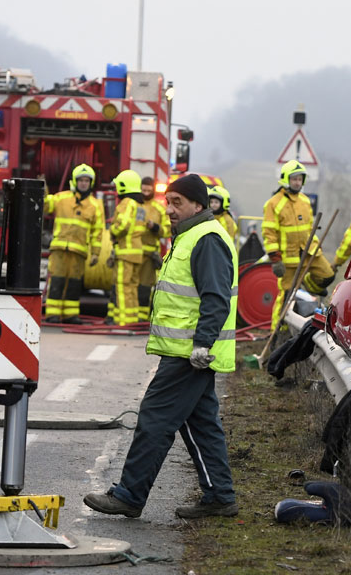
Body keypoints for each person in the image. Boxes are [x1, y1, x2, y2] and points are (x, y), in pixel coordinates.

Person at [84, 173, 240, 519]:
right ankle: (219, 496)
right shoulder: (189, 236)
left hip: (190, 354)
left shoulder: (207, 239)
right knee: (200, 424)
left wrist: (202, 344)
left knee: (154, 419)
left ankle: (129, 494)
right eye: (167, 201)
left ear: (198, 204)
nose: (168, 209)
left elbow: (215, 298)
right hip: (184, 351)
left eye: (177, 202)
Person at [262, 160, 333, 327]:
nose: (297, 182)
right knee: (286, 295)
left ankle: (306, 283)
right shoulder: (273, 204)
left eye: (300, 179)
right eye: (294, 179)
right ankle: (278, 330)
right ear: (285, 179)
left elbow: (309, 228)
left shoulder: (305, 201)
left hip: (309, 252)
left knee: (327, 276)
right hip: (288, 260)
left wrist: (317, 245)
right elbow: (269, 233)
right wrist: (275, 258)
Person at [43, 164, 103, 324]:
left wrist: (96, 253)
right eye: (81, 180)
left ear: (91, 183)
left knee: (74, 284)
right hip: (59, 248)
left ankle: (70, 315)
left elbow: (98, 232)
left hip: (79, 251)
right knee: (57, 280)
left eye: (86, 180)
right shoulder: (61, 198)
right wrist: (43, 190)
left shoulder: (96, 205)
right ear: (75, 181)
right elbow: (45, 206)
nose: (84, 183)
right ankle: (52, 314)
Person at [106, 170, 146, 325]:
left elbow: (122, 224)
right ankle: (132, 319)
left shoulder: (127, 203)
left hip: (125, 253)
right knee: (132, 287)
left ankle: (123, 321)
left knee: (122, 287)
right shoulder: (140, 206)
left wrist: (112, 231)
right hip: (136, 253)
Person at [137, 176, 171, 322]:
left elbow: (168, 229)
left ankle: (142, 318)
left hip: (149, 254)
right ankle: (129, 317)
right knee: (129, 286)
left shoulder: (159, 209)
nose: (145, 193)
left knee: (145, 287)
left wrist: (155, 227)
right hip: (131, 252)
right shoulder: (134, 205)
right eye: (143, 190)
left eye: (148, 190)